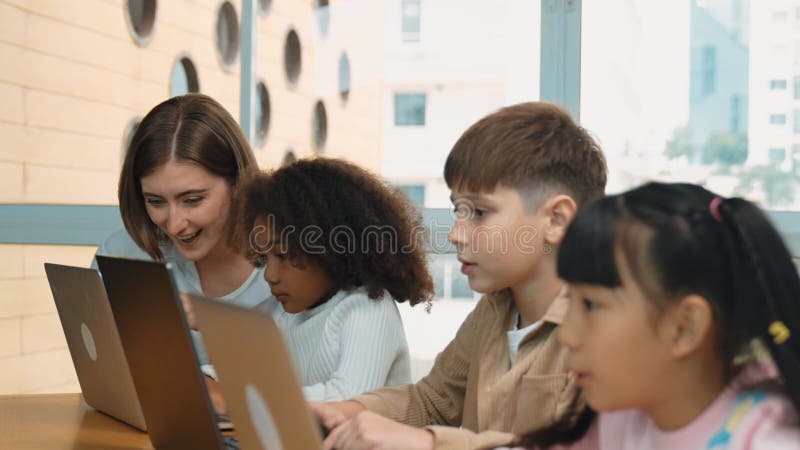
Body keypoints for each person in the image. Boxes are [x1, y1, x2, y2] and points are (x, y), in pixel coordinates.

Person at [313, 102, 608, 450]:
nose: (456, 234)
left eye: (480, 212)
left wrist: (428, 443)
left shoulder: (600, 328)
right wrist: (345, 411)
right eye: (459, 210)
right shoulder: (494, 310)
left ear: (556, 220)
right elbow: (434, 400)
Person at [506, 182, 800, 449]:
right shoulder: (624, 415)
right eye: (570, 300)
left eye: (592, 305)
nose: (567, 335)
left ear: (685, 327)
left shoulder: (769, 440)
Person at [93, 94, 269, 404]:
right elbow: (105, 371)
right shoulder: (122, 253)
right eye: (156, 202)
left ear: (238, 184)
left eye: (192, 200)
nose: (174, 225)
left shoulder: (289, 265)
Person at [231, 157, 434, 401]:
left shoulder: (368, 309)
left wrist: (242, 396)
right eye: (265, 258)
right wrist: (211, 379)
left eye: (284, 255)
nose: (269, 275)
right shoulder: (289, 313)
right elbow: (249, 368)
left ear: (332, 249)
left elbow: (347, 398)